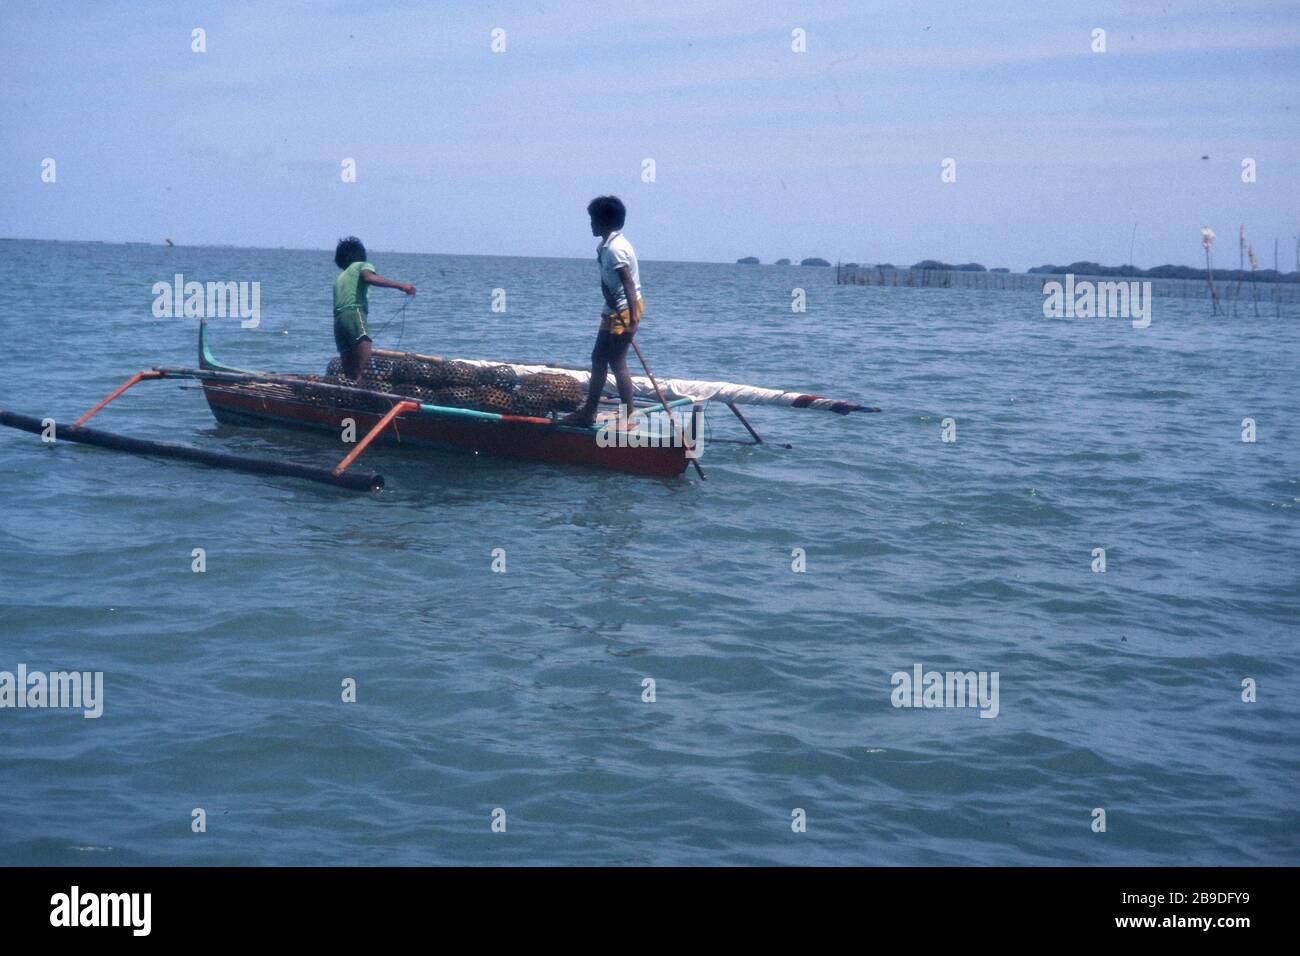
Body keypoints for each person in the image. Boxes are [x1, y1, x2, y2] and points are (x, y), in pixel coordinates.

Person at [561, 196, 642, 428]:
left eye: (593, 220)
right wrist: (607, 298)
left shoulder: (617, 249)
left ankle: (629, 417)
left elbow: (628, 284)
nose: (590, 224)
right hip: (613, 307)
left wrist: (633, 320)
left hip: (626, 308)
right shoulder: (604, 246)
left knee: (617, 362)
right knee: (598, 357)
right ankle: (589, 412)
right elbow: (607, 279)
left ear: (604, 221)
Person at [332, 237, 415, 378]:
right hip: (354, 311)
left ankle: (350, 385)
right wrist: (401, 286)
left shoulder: (340, 277)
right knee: (364, 344)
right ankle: (361, 381)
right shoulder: (361, 265)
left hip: (338, 320)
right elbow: (369, 278)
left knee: (348, 358)